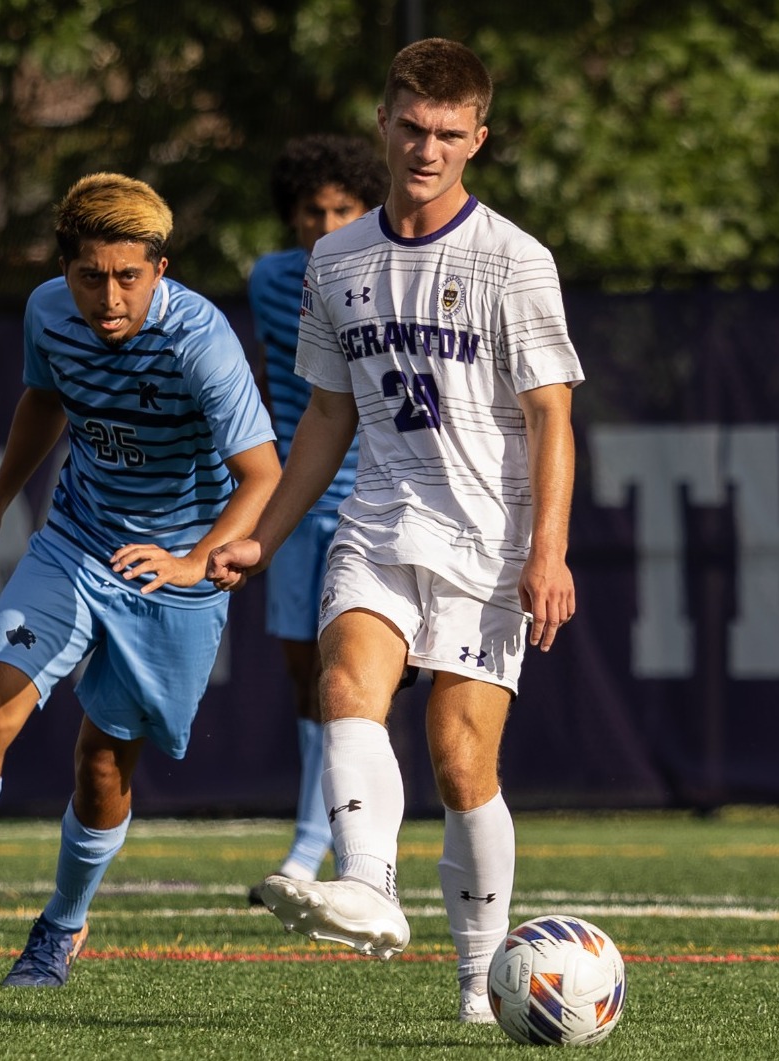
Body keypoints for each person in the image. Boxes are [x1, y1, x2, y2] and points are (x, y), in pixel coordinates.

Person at [207, 38, 582, 1024]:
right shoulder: (333, 259)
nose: (426, 148)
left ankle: (476, 977)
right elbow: (326, 415)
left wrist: (546, 551)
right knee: (343, 681)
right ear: (383, 123)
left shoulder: (512, 259)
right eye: (411, 126)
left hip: (486, 539)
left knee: (461, 762)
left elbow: (550, 416)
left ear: (477, 140)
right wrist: (268, 534)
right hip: (376, 521)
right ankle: (369, 884)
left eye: (448, 134)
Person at [0, 173, 279, 987]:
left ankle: (61, 928)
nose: (108, 299)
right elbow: (44, 400)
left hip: (173, 575)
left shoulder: (200, 340)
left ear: (161, 268)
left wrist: (192, 561)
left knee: (103, 764)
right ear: (64, 269)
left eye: (128, 278)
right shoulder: (46, 310)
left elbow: (261, 474)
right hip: (75, 542)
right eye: (90, 277)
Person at [244, 135, 388, 901]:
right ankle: (324, 833)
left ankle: (318, 844)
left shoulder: (390, 272)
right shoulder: (269, 279)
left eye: (343, 208)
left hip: (378, 505)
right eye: (313, 210)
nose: (327, 223)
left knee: (358, 676)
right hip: (296, 507)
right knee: (307, 678)